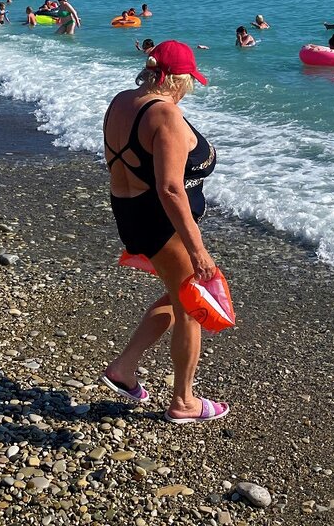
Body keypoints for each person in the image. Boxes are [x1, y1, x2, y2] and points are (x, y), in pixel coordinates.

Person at [101, 41, 228, 423]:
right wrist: (198, 248)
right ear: (178, 77)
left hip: (130, 211)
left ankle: (123, 368)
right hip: (161, 221)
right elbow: (170, 188)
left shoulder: (122, 100)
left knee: (176, 293)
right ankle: (184, 402)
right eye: (190, 79)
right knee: (193, 305)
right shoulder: (166, 117)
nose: (191, 86)